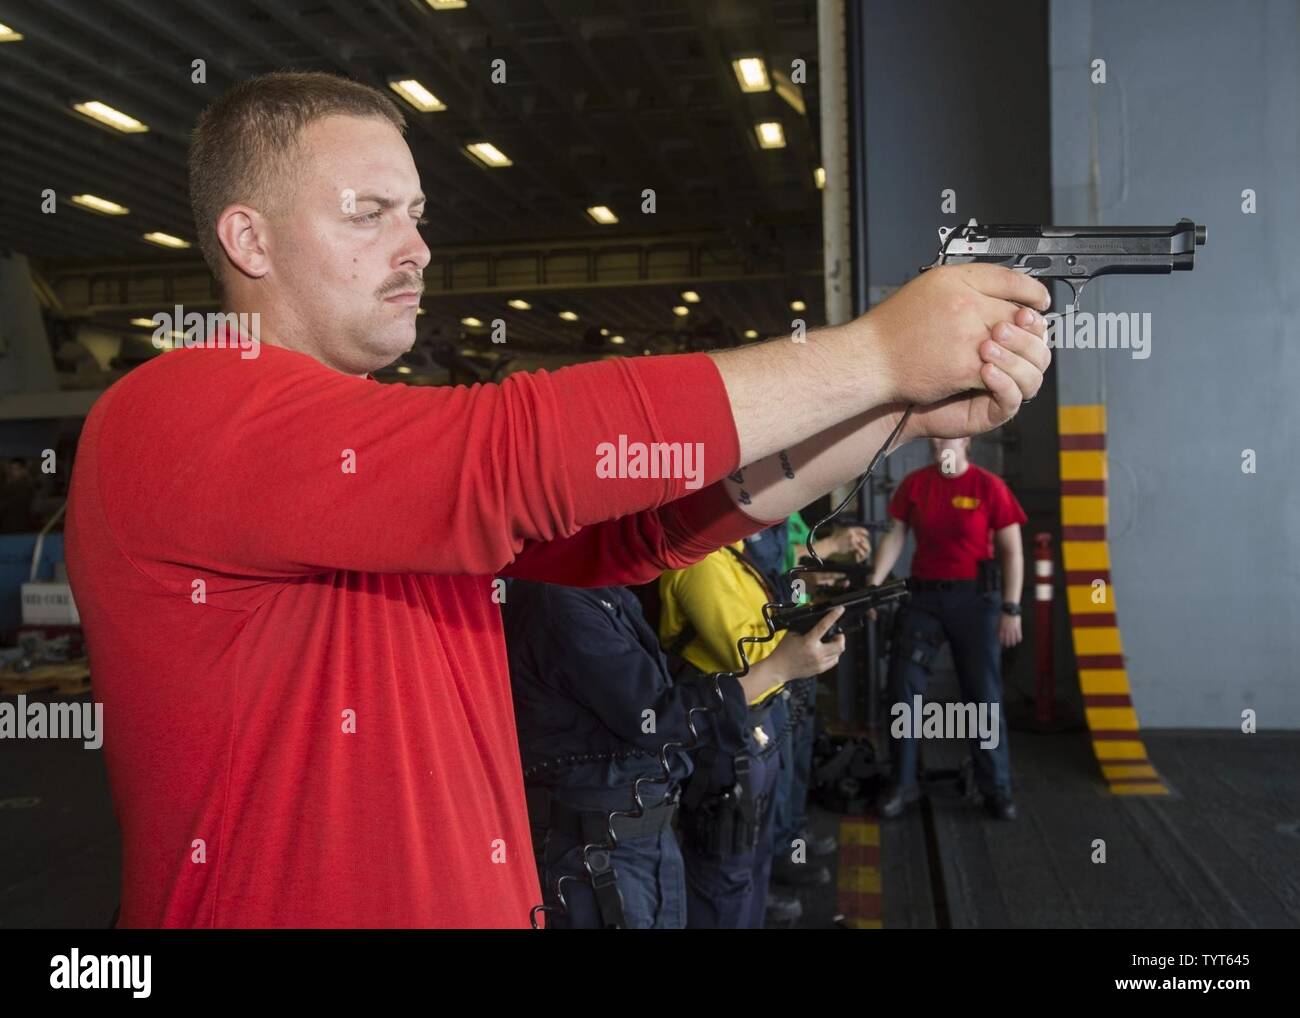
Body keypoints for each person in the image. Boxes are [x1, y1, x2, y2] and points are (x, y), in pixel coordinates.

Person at [63, 70, 1051, 927]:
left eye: (417, 216)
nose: (416, 250)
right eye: (369, 212)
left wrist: (895, 412)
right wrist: (875, 348)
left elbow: (631, 528)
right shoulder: (179, 409)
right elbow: (519, 452)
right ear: (250, 239)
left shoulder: (363, 466)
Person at [503, 579, 814, 928]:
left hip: (639, 832)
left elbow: (659, 681)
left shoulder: (603, 592)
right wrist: (776, 669)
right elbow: (654, 718)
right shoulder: (560, 604)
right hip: (599, 845)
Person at [658, 540, 847, 927]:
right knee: (724, 871)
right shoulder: (701, 563)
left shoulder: (735, 554)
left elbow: (767, 625)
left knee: (754, 862)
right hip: (725, 734)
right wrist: (795, 654)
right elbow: (749, 656)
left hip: (759, 719)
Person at [869, 437, 1027, 820]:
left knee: (983, 695)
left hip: (976, 603)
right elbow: (896, 534)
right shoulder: (916, 485)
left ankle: (995, 787)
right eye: (936, 434)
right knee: (903, 689)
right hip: (924, 600)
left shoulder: (988, 487)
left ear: (966, 440)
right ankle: (903, 784)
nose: (942, 441)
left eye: (950, 434)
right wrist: (874, 585)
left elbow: (1012, 551)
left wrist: (1011, 607)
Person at [743, 517, 871, 894]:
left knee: (799, 751)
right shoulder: (758, 513)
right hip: (776, 648)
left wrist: (814, 583)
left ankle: (795, 839)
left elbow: (788, 570)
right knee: (780, 763)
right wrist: (832, 546)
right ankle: (781, 857)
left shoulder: (791, 515)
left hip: (799, 634)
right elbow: (772, 562)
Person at [0, 457, 35, 532]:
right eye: (11, 469)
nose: (12, 472)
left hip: (19, 528)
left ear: (23, 471)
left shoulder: (26, 487)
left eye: (16, 469)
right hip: (6, 527)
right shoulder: (7, 485)